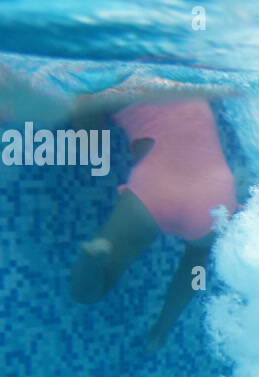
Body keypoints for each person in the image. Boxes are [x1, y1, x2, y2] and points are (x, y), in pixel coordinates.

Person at [67, 75, 238, 351]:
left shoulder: (110, 77)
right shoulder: (188, 73)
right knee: (196, 259)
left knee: (86, 293)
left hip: (156, 185)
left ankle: (94, 257)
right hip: (216, 194)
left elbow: (84, 120)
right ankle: (162, 328)